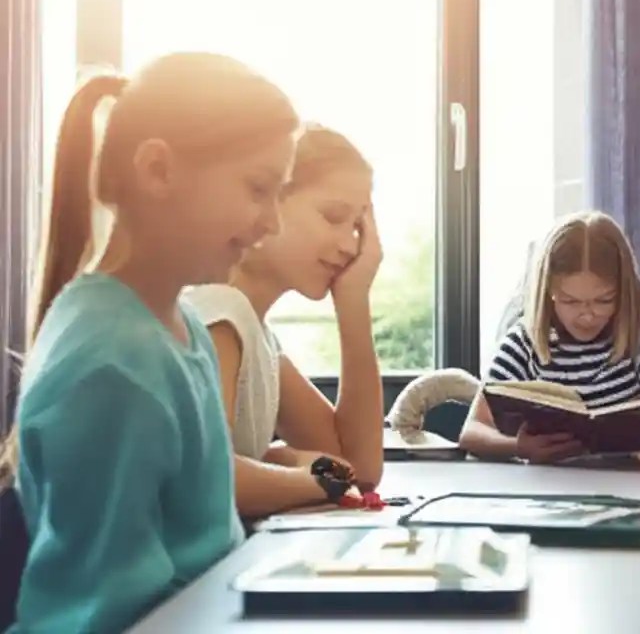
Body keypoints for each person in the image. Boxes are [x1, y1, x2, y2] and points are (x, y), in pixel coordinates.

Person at [3, 53, 299, 632]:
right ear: (158, 169)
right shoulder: (113, 362)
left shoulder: (179, 327)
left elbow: (205, 548)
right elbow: (107, 612)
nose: (273, 224)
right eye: (258, 188)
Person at [184, 124, 387, 518]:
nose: (350, 245)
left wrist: (353, 301)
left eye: (357, 229)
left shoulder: (255, 332)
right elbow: (210, 479)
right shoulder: (217, 315)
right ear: (268, 204)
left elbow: (359, 468)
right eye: (333, 217)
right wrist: (303, 474)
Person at [459, 211, 640, 464]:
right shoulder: (524, 343)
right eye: (570, 301)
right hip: (547, 492)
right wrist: (518, 446)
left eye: (604, 300)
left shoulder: (638, 337)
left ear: (624, 292)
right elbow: (471, 432)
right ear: (547, 292)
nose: (587, 316)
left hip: (627, 483)